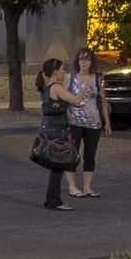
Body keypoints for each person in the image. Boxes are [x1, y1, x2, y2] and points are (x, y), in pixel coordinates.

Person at [63, 47, 109, 198]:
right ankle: (72, 186)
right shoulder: (70, 78)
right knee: (73, 154)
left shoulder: (98, 78)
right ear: (77, 61)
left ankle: (88, 187)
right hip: (74, 121)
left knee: (90, 154)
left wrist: (107, 122)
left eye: (87, 59)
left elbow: (103, 101)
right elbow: (63, 98)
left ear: (91, 62)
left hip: (93, 121)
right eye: (81, 59)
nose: (84, 62)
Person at [35, 56, 78, 211]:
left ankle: (53, 199)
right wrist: (85, 87)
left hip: (50, 129)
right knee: (58, 165)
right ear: (55, 72)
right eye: (62, 69)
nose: (64, 72)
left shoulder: (47, 87)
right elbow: (76, 100)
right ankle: (53, 200)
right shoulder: (56, 88)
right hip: (57, 131)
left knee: (56, 165)